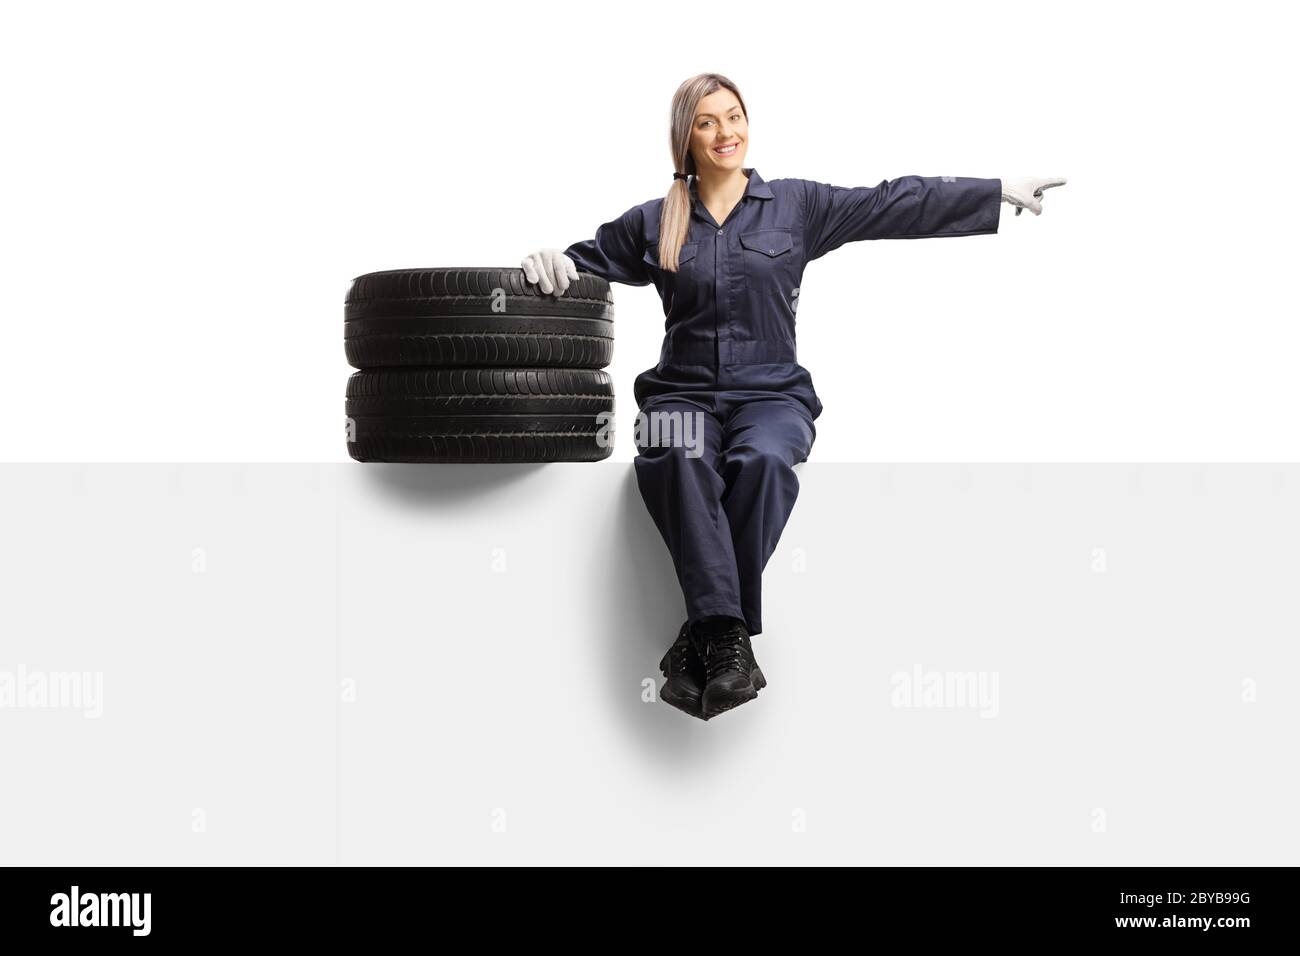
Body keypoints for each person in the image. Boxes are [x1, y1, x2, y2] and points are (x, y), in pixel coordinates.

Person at [521, 73, 1064, 721]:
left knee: (764, 464)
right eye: (707, 122)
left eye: (735, 117)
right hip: (680, 396)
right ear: (685, 138)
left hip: (771, 396)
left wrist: (993, 191)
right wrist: (548, 263)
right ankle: (727, 641)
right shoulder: (653, 220)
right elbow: (579, 265)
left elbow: (891, 202)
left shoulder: (797, 207)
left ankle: (709, 634)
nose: (726, 133)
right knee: (675, 455)